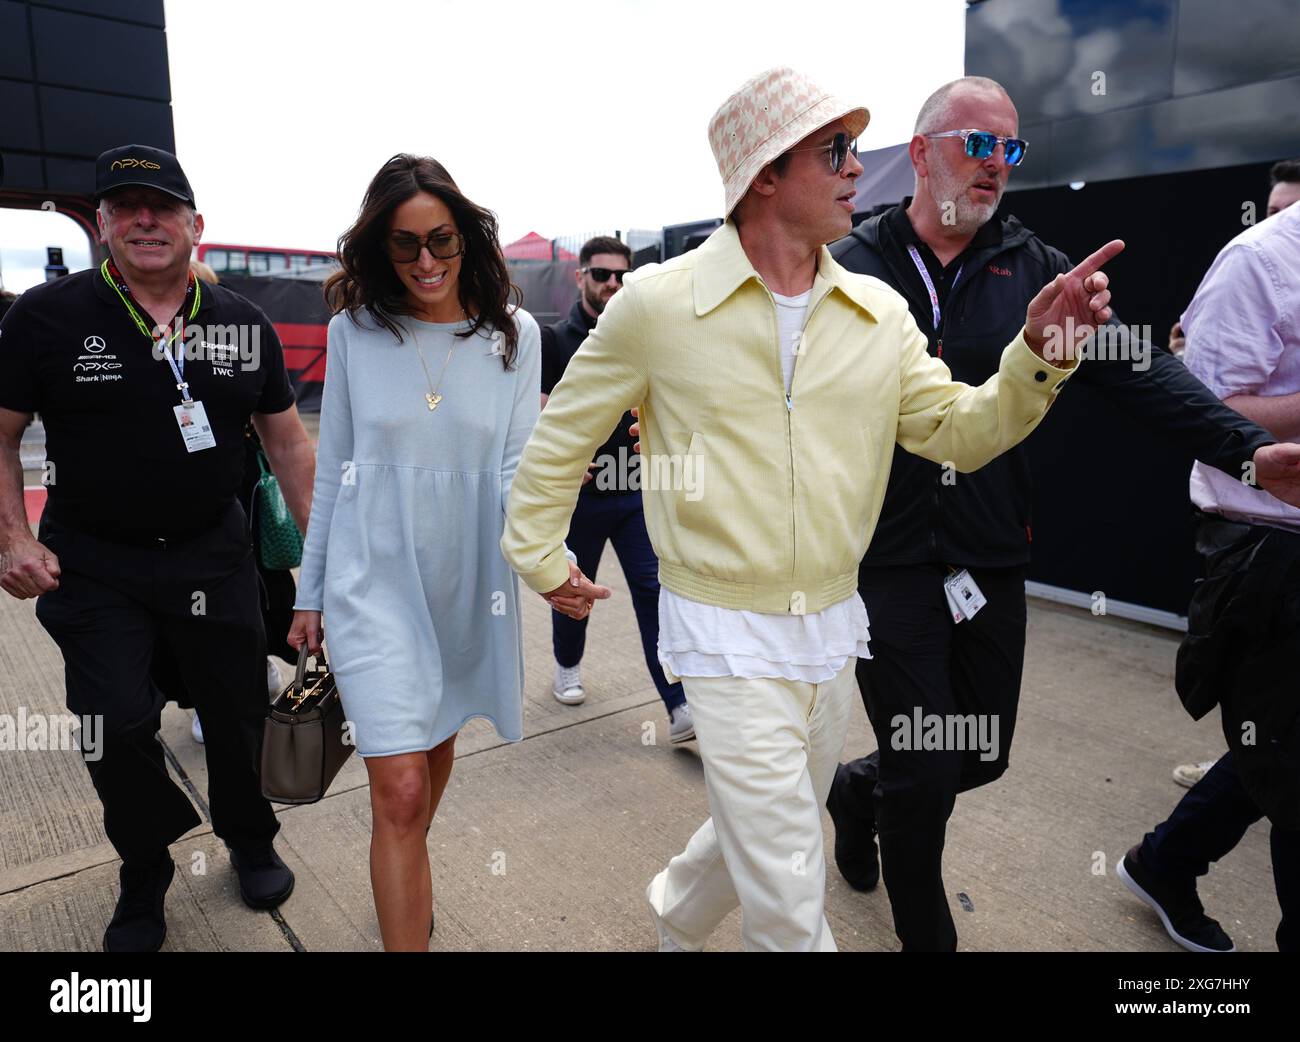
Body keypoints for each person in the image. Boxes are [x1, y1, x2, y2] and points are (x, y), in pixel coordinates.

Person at [502, 66, 1124, 951]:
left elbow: (961, 430)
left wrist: (1037, 356)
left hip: (835, 626)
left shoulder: (877, 310)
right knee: (792, 891)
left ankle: (675, 918)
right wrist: (538, 554)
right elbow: (560, 440)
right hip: (717, 630)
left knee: (765, 821)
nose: (854, 171)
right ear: (764, 175)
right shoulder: (658, 305)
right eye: (833, 151)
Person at [824, 77, 1300, 952]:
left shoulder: (1037, 267)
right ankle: (930, 935)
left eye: (1012, 149)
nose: (996, 165)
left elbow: (1138, 368)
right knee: (926, 768)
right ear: (922, 152)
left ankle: (860, 791)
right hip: (883, 555)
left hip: (991, 551)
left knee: (981, 752)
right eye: (978, 143)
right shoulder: (853, 266)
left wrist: (1247, 450)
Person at [0, 144, 315, 951]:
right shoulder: (45, 318)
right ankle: (144, 870)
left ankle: (251, 839)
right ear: (102, 224)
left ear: (194, 225)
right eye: (127, 206)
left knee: (239, 714)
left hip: (213, 557)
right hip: (94, 563)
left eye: (163, 206)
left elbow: (288, 448)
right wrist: (12, 535)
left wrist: (321, 568)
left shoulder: (242, 325)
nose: (146, 219)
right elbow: (2, 437)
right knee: (114, 720)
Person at [288, 154, 549, 952]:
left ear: (467, 237)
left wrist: (550, 565)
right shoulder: (353, 333)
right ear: (380, 250)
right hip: (375, 585)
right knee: (397, 791)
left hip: (468, 584)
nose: (427, 261)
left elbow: (517, 472)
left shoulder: (515, 334)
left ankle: (404, 871)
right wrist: (311, 592)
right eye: (405, 246)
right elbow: (334, 468)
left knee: (428, 762)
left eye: (441, 240)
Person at [1117, 200, 1300, 953]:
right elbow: (1206, 408)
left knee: (1284, 746)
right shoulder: (1260, 261)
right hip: (1270, 546)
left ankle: (1166, 860)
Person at [540, 235, 692, 742]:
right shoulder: (556, 339)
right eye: (601, 274)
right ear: (580, 276)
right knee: (574, 590)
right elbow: (540, 412)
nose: (612, 284)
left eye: (621, 275)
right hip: (579, 498)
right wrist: (559, 463)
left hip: (632, 493)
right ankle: (567, 665)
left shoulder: (641, 333)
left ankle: (677, 706)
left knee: (653, 590)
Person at [1169, 158, 1300, 356]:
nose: (1279, 222)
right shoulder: (1250, 267)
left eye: (1291, 213)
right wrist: (1187, 357)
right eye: (1273, 213)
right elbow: (1229, 375)